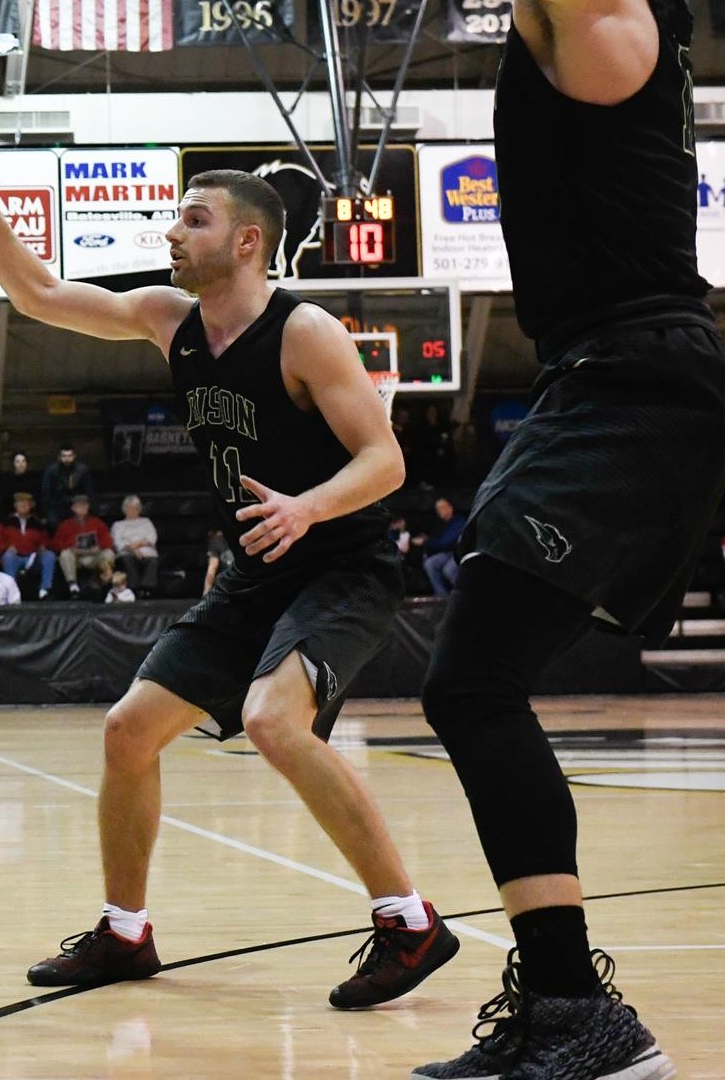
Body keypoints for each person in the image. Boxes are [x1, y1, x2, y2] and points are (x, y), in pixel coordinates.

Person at [0, 114, 456, 1011]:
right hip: (260, 569)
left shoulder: (306, 334)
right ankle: (125, 933)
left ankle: (409, 920)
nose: (171, 233)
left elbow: (387, 462)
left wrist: (306, 506)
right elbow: (37, 295)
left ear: (247, 240)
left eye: (192, 219)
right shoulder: (165, 316)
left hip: (341, 564)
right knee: (127, 731)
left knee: (272, 721)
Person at [414, 0, 725, 1072]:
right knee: (473, 686)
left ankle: (578, 1013)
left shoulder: (603, 16)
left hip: (633, 377)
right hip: (614, 374)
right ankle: (560, 1006)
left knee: (471, 685)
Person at [0, 493, 55, 599]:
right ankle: (11, 590)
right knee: (8, 556)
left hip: (33, 558)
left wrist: (43, 546)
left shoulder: (37, 523)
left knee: (49, 555)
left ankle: (45, 589)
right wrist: (7, 547)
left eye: (26, 503)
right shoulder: (5, 522)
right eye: (21, 503)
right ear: (15, 505)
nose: (24, 505)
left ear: (31, 506)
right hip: (15, 557)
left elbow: (47, 541)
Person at [51, 494, 115, 599]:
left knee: (109, 553)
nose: (83, 508)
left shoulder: (97, 522)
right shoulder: (66, 524)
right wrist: (71, 548)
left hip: (94, 555)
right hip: (76, 557)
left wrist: (99, 547)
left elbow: (108, 540)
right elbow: (56, 543)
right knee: (65, 554)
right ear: (73, 508)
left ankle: (102, 582)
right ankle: (73, 586)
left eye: (85, 505)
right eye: (79, 506)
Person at [415, 497, 466, 598]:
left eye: (442, 507)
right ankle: (442, 596)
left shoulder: (459, 522)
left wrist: (425, 541)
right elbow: (437, 541)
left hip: (460, 553)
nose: (439, 511)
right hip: (448, 554)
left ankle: (465, 596)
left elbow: (444, 542)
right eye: (437, 509)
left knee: (449, 570)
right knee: (430, 563)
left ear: (450, 508)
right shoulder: (441, 524)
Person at [111, 495, 161, 596]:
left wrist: (138, 544)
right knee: (127, 560)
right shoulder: (118, 525)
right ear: (124, 510)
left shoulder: (146, 522)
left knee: (152, 561)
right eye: (130, 508)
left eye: (136, 508)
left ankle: (147, 589)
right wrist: (133, 550)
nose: (133, 511)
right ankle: (134, 589)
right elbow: (118, 542)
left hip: (146, 551)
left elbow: (152, 538)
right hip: (126, 552)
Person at [40, 445, 95, 525]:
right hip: (57, 505)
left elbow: (90, 491)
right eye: (64, 456)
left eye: (69, 456)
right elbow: (46, 494)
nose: (66, 459)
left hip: (77, 504)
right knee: (53, 521)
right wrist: (44, 514)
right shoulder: (51, 471)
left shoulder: (82, 470)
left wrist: (93, 511)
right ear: (59, 457)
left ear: (74, 456)